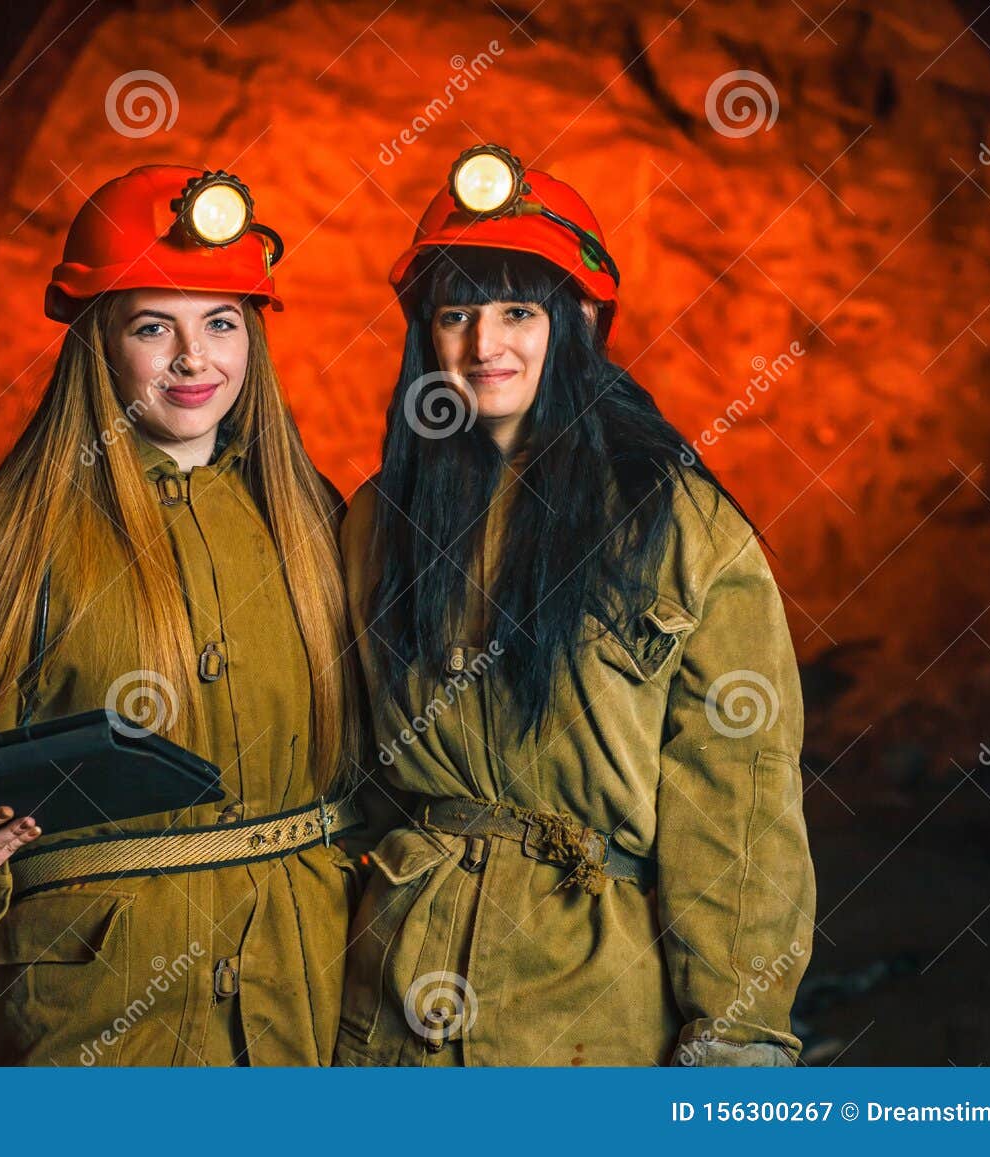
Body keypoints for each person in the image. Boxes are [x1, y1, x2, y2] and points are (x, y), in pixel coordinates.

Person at [0, 164, 364, 1065]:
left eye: (220, 323)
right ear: (99, 342)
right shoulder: (17, 541)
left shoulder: (315, 520)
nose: (192, 358)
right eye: (152, 326)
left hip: (306, 988)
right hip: (109, 1013)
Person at [335, 145, 815, 1066]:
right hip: (390, 1001)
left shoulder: (676, 525)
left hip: (583, 1014)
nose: (485, 345)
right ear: (423, 336)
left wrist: (738, 1039)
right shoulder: (377, 520)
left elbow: (738, 797)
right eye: (457, 314)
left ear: (583, 319)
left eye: (520, 311)